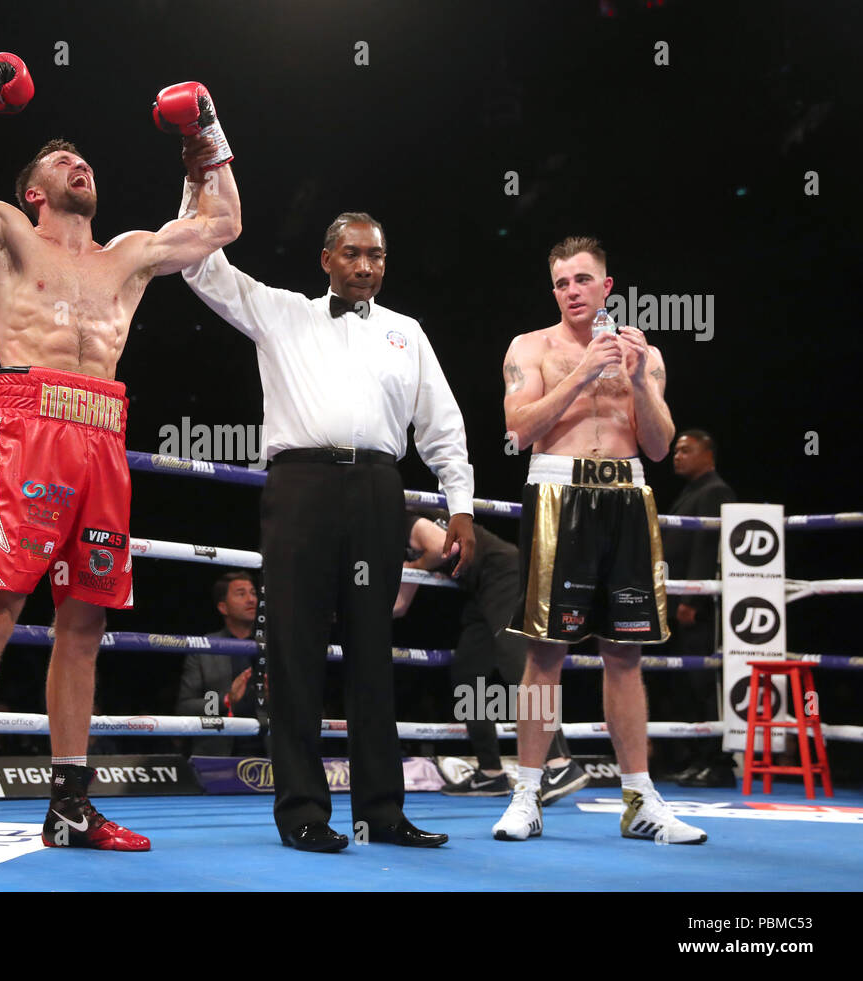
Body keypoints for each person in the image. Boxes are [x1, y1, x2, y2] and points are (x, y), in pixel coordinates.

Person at [0, 54, 240, 860]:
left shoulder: (129, 253)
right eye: (60, 160)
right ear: (34, 192)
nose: (78, 163)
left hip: (104, 436)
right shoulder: (8, 232)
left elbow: (222, 225)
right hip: (28, 425)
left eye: (83, 159)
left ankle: (71, 807)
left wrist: (208, 132)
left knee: (83, 628)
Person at [181, 198, 475, 852]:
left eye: (376, 255)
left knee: (374, 651)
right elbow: (201, 268)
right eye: (353, 253)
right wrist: (201, 171)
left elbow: (443, 427)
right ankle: (303, 812)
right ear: (326, 259)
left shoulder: (407, 332)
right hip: (302, 488)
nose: (366, 266)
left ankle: (382, 811)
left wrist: (460, 503)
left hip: (377, 489)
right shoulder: (281, 311)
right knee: (293, 651)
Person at [492, 235, 705, 844]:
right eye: (561, 283)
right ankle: (527, 793)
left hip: (629, 495)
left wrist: (636, 379)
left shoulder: (646, 353)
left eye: (582, 280)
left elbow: (660, 446)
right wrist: (585, 373)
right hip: (558, 494)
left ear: (606, 286)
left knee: (625, 652)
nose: (572, 292)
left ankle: (639, 797)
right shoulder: (530, 348)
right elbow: (517, 428)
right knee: (544, 654)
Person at [395, 510, 587, 802]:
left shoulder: (404, 519)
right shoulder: (393, 542)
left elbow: (443, 548)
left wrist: (417, 564)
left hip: (503, 574)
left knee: (516, 664)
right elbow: (399, 605)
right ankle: (490, 773)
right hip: (479, 590)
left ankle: (560, 763)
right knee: (467, 673)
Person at [657, 430, 736, 786]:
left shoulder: (714, 490)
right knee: (685, 685)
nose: (677, 456)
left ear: (708, 454)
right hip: (676, 603)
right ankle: (697, 758)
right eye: (676, 450)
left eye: (686, 450)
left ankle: (718, 764)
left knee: (703, 683)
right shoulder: (693, 491)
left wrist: (691, 599)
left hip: (696, 607)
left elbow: (707, 547)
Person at [176, 570, 263, 756]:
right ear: (223, 607)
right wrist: (225, 700)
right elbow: (186, 707)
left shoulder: (273, 647)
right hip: (219, 755)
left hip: (270, 754)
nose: (251, 600)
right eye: (241, 593)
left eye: (253, 593)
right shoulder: (205, 648)